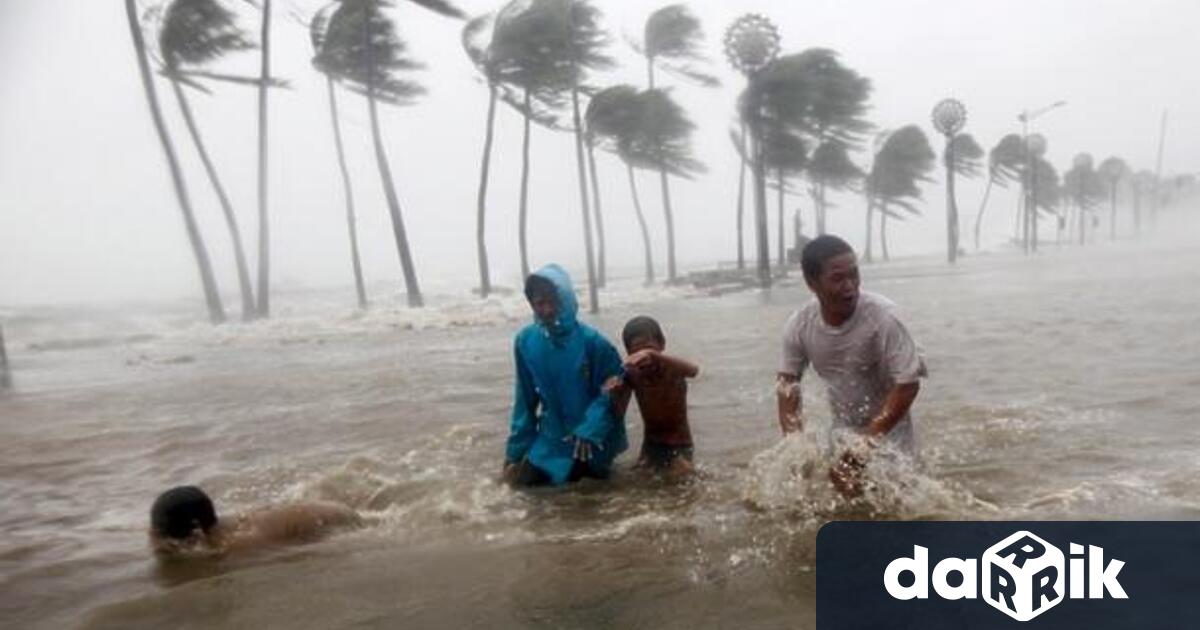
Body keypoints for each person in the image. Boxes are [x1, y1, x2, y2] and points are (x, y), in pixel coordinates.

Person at [775, 235, 927, 497]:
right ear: (812, 283)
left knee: (898, 504)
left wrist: (867, 442)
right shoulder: (800, 325)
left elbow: (908, 384)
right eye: (838, 278)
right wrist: (795, 443)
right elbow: (787, 384)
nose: (850, 286)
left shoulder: (884, 317)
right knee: (844, 500)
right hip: (843, 429)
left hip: (890, 430)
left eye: (854, 275)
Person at [502, 264, 628, 486]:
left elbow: (614, 392)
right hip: (551, 438)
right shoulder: (525, 341)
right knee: (520, 493)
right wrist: (514, 453)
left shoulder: (594, 343)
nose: (547, 310)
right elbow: (525, 399)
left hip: (590, 439)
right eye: (540, 303)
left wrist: (591, 428)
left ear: (566, 299)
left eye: (553, 301)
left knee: (585, 503)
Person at [148, 485, 361, 557]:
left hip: (338, 517)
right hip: (324, 507)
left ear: (196, 529)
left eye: (159, 531)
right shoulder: (218, 527)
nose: (151, 534)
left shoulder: (239, 545)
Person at [606, 316, 700, 476]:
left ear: (662, 344)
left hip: (679, 444)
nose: (644, 358)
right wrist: (615, 392)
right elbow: (619, 412)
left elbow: (694, 370)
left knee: (682, 480)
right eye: (638, 352)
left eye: (648, 349)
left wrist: (655, 356)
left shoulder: (671, 369)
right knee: (637, 483)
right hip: (651, 445)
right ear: (630, 354)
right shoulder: (633, 375)